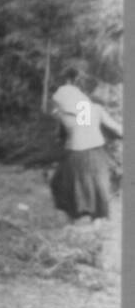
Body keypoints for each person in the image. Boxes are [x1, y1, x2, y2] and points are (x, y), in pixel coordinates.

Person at [48, 64, 122, 223]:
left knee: (65, 185)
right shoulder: (94, 109)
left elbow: (72, 130)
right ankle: (92, 220)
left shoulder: (64, 112)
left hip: (78, 154)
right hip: (95, 153)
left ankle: (80, 219)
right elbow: (116, 129)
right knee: (93, 188)